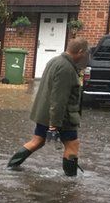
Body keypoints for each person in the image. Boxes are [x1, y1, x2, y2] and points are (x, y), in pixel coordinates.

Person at [7, 37, 89, 176]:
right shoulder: (66, 68)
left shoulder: (55, 61)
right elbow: (59, 99)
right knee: (72, 145)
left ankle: (11, 166)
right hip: (61, 117)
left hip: (45, 114)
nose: (85, 56)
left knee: (37, 141)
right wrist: (54, 125)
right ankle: (71, 179)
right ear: (80, 51)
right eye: (85, 53)